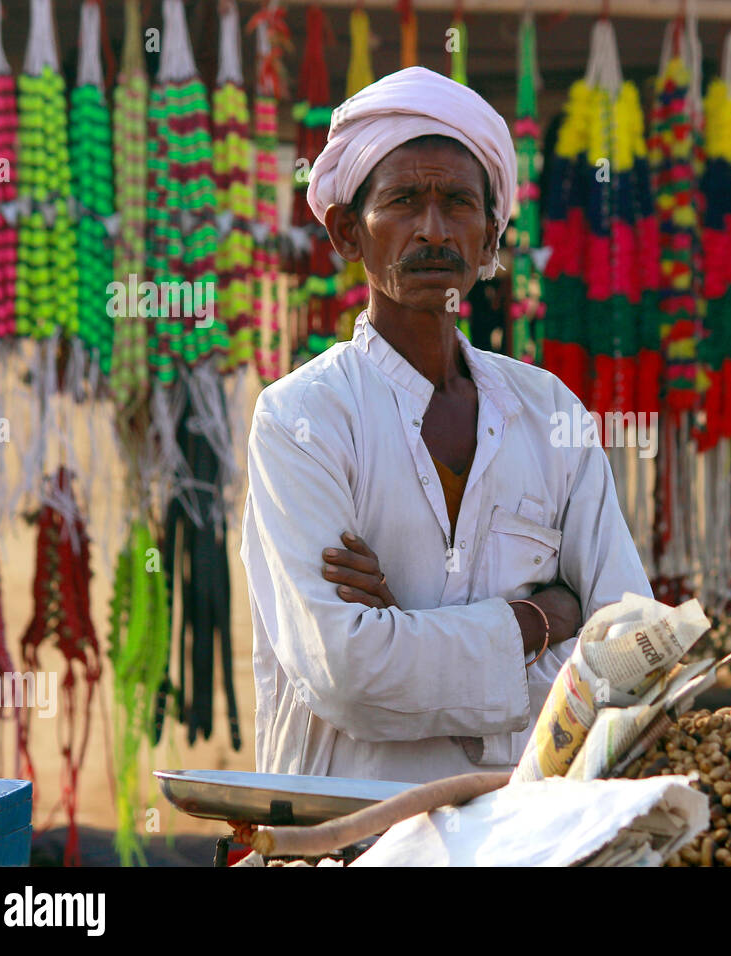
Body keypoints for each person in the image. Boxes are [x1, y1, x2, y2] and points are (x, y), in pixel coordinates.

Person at [240, 66, 651, 784]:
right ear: (347, 233)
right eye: (403, 200)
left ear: (491, 236)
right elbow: (350, 674)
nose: (433, 229)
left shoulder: (550, 411)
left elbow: (629, 649)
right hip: (349, 835)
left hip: (528, 837)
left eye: (459, 202)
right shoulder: (301, 418)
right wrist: (539, 621)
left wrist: (409, 633)